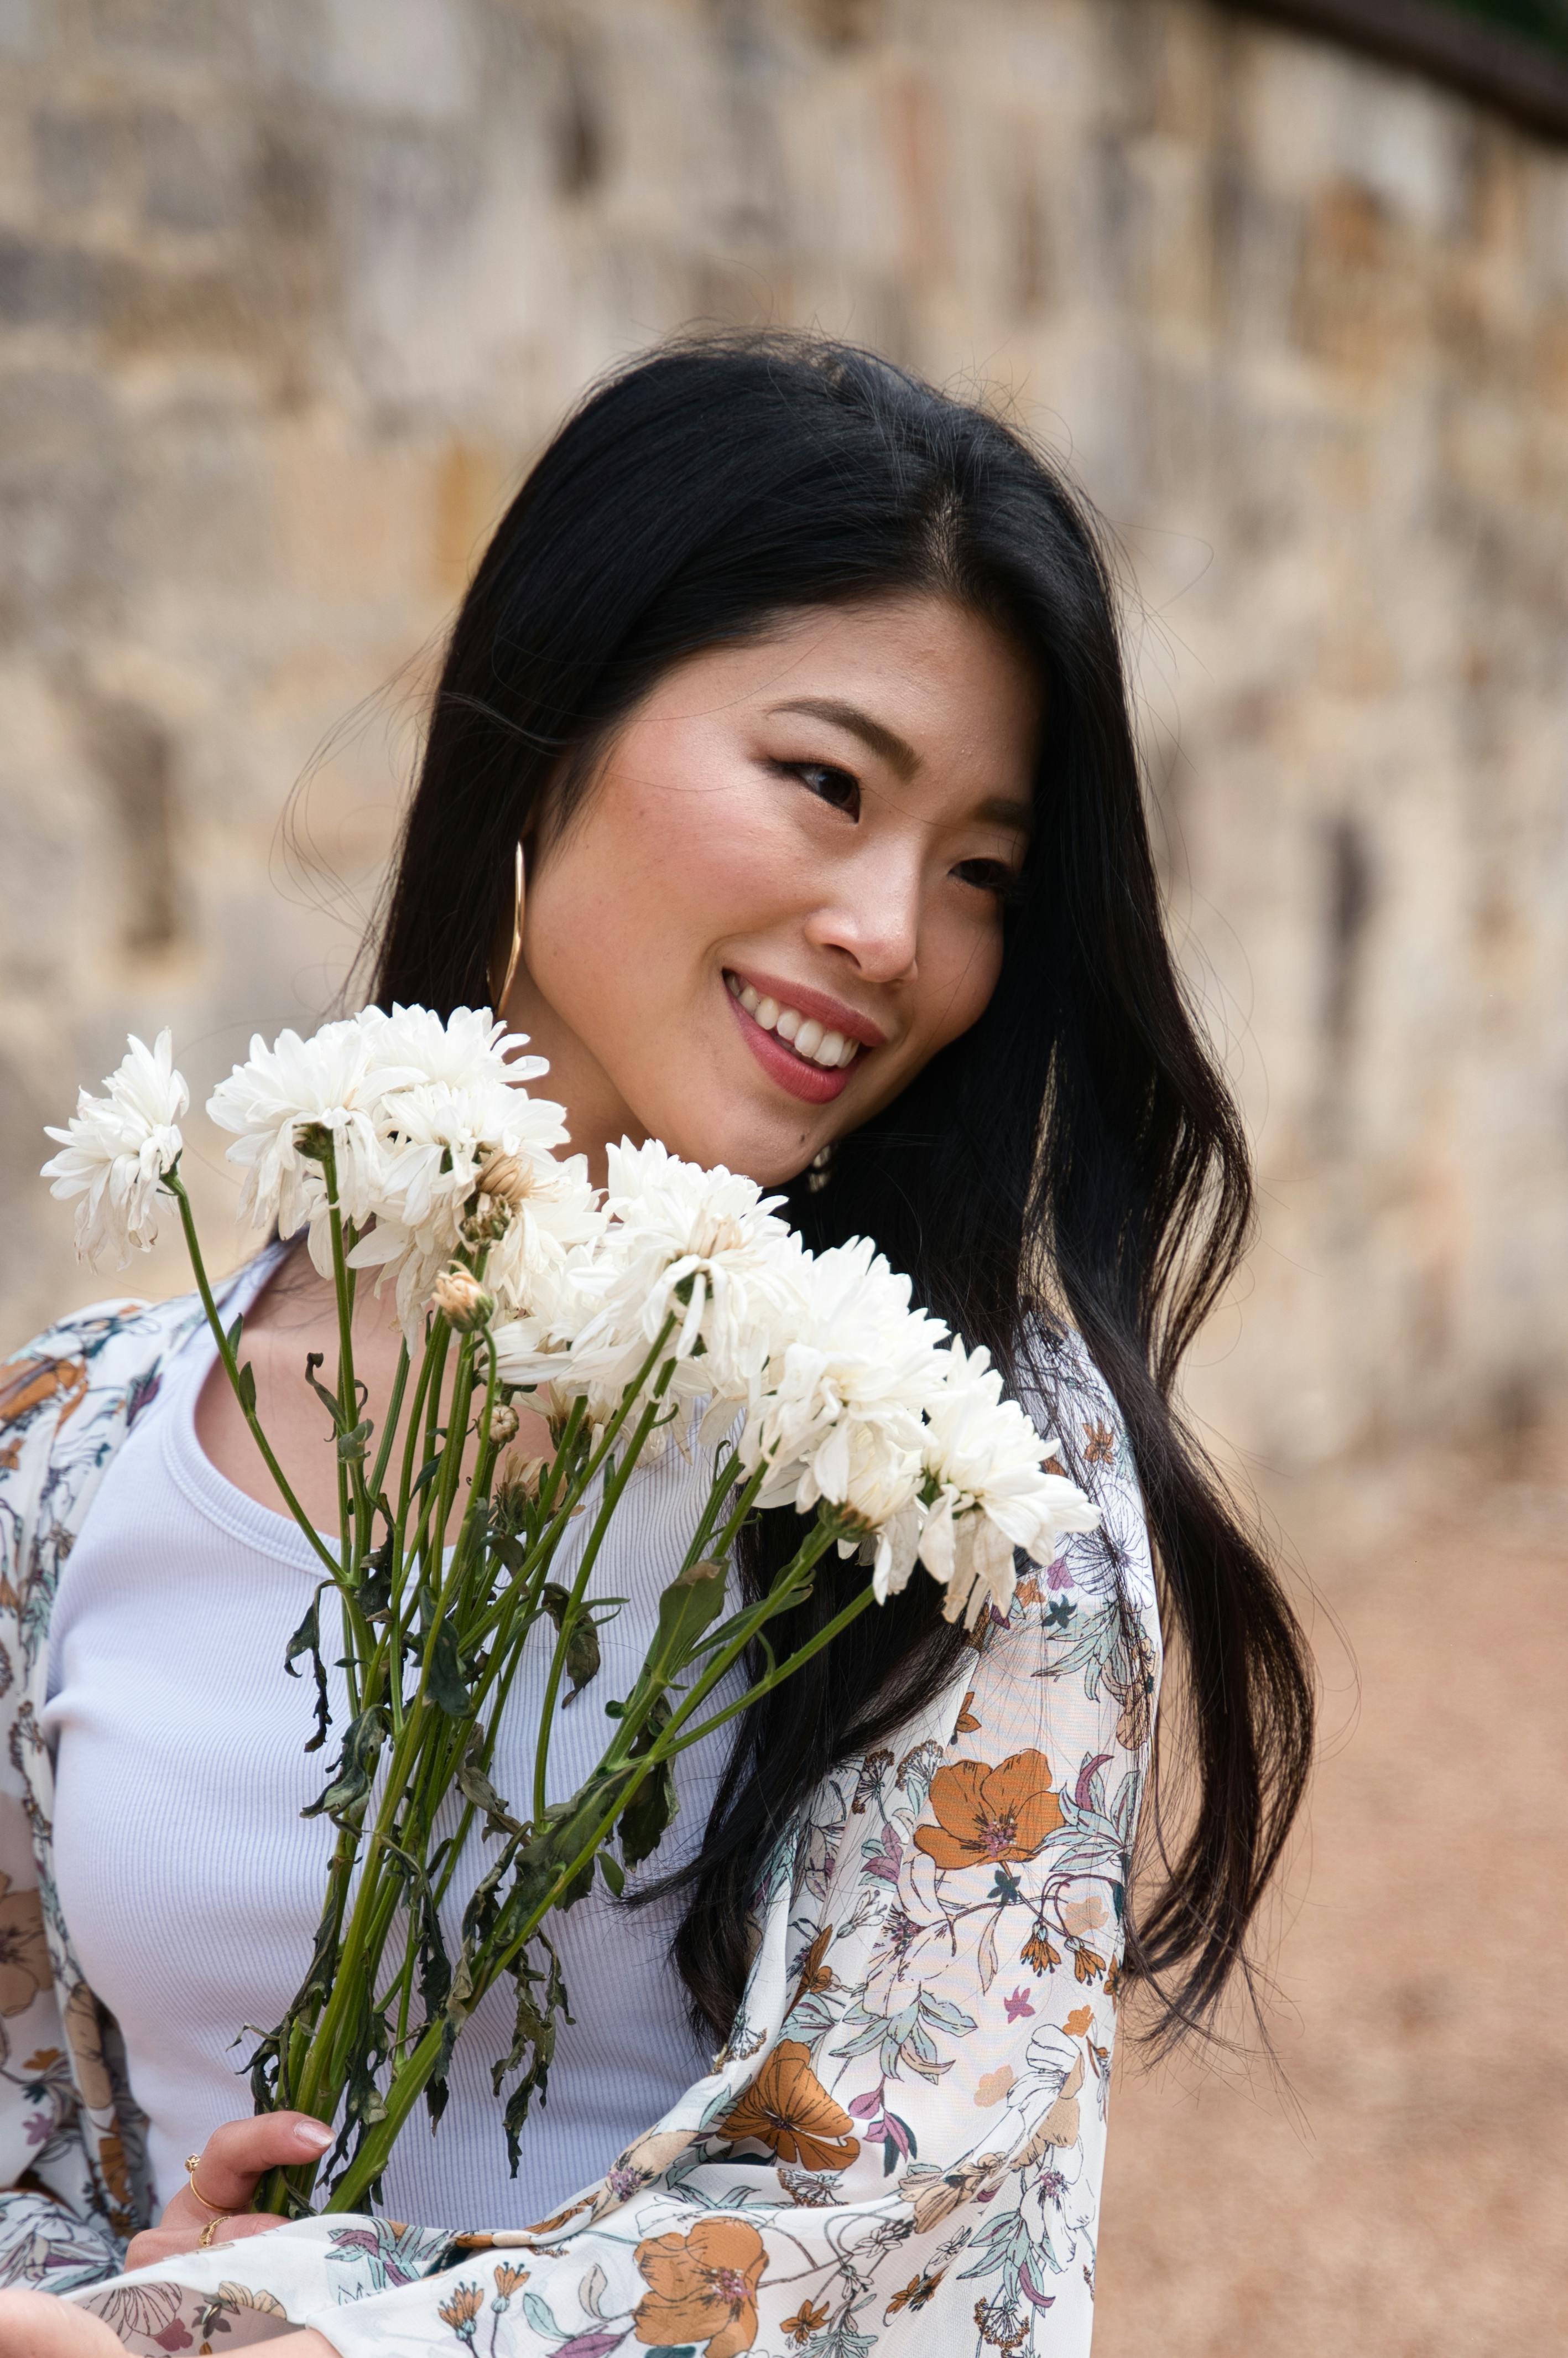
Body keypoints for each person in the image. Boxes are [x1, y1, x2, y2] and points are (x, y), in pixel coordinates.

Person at [0, 335, 1312, 2357]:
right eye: (824, 782)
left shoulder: (958, 1478)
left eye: (981, 874)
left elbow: (868, 2200)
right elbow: (33, 2137)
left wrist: (251, 2328)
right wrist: (97, 2292)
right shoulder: (72, 1448)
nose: (894, 930)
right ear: (547, 725)